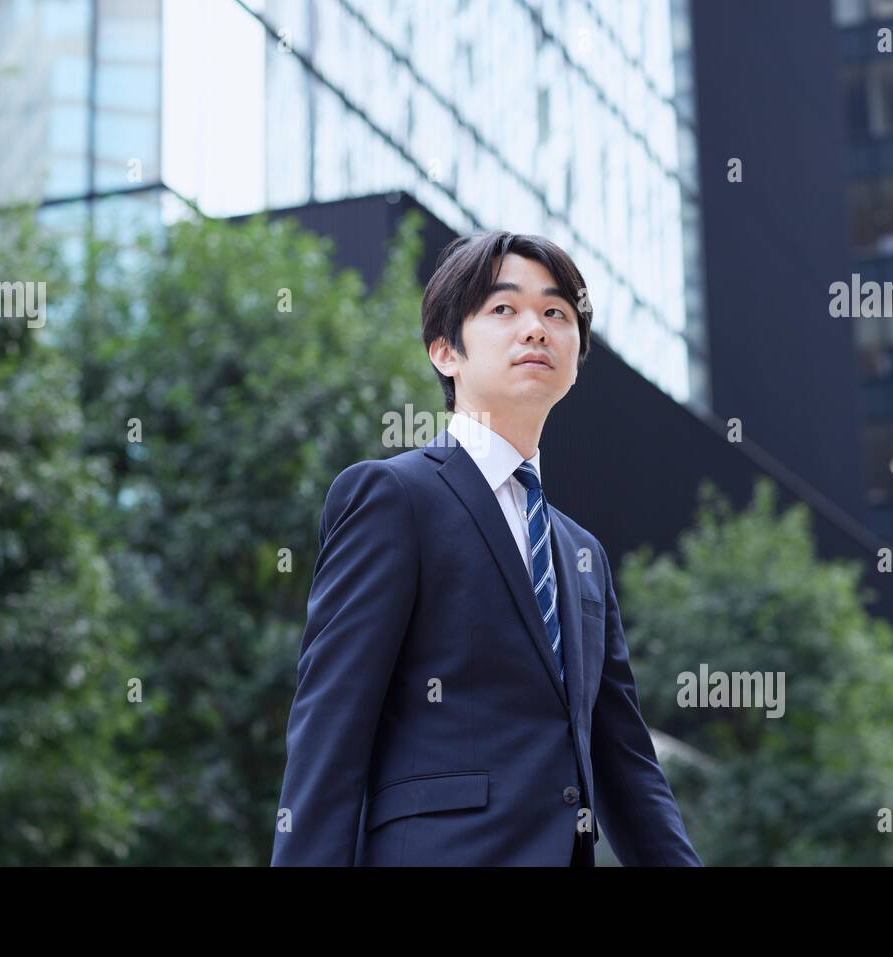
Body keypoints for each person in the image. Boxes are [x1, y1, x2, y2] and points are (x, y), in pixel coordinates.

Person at [270, 230, 702, 867]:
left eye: (557, 313)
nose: (536, 328)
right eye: (504, 309)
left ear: (577, 356)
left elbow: (627, 767)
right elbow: (330, 731)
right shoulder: (394, 497)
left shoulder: (583, 555)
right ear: (445, 351)